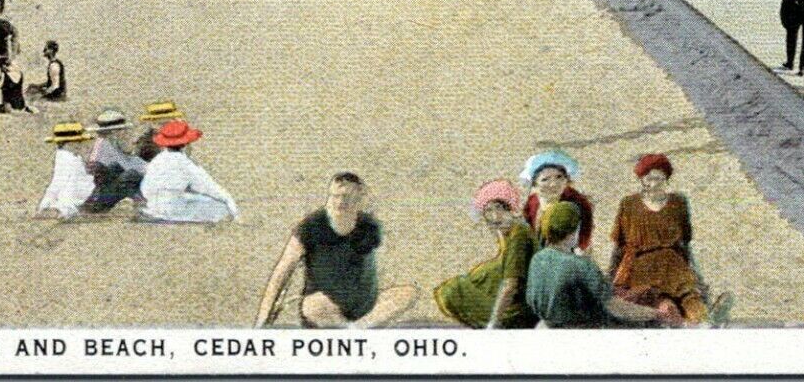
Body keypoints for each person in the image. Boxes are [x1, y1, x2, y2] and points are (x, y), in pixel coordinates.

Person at [254, 172, 416, 328]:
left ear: (358, 199)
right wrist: (262, 321)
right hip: (325, 306)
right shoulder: (311, 227)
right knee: (312, 305)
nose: (339, 203)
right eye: (334, 196)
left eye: (346, 197)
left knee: (408, 293)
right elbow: (282, 272)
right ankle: (356, 329)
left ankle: (353, 329)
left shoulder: (369, 227)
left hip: (363, 308)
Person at [610, 154, 730, 326]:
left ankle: (704, 320)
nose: (653, 184)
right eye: (649, 179)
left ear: (666, 179)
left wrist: (695, 272)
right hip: (640, 264)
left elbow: (685, 242)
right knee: (656, 298)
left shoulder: (678, 202)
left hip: (672, 261)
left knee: (689, 294)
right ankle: (691, 325)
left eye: (659, 179)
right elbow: (619, 244)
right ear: (642, 179)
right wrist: (613, 274)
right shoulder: (628, 204)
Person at [524, 201, 662, 328]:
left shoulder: (537, 258)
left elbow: (532, 300)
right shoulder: (581, 264)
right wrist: (655, 314)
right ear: (575, 230)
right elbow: (615, 307)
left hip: (547, 324)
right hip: (582, 329)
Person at [433, 179, 539, 329]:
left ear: (510, 209)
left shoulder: (518, 234)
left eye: (499, 208)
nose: (495, 216)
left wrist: (493, 322)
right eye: (489, 211)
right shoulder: (512, 233)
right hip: (521, 306)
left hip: (519, 313)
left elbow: (511, 285)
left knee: (452, 290)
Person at [139, 119, 239, 223]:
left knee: (191, 198)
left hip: (153, 206)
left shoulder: (157, 160)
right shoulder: (185, 163)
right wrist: (228, 200)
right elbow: (208, 186)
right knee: (220, 207)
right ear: (185, 144)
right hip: (173, 210)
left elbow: (145, 188)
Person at [520, 150, 594, 254]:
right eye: (545, 179)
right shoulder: (532, 202)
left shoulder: (578, 202)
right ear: (534, 184)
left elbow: (585, 236)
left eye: (559, 177)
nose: (553, 184)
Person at [81, 109, 150, 213]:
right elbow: (129, 167)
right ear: (114, 132)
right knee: (132, 176)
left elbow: (131, 161)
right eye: (122, 130)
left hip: (106, 189)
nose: (125, 133)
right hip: (102, 194)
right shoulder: (105, 146)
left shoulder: (111, 143)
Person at [37, 125, 96, 219]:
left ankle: (51, 206)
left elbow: (57, 183)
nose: (81, 145)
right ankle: (62, 208)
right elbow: (73, 184)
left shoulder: (63, 155)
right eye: (78, 142)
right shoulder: (71, 159)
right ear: (69, 143)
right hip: (73, 199)